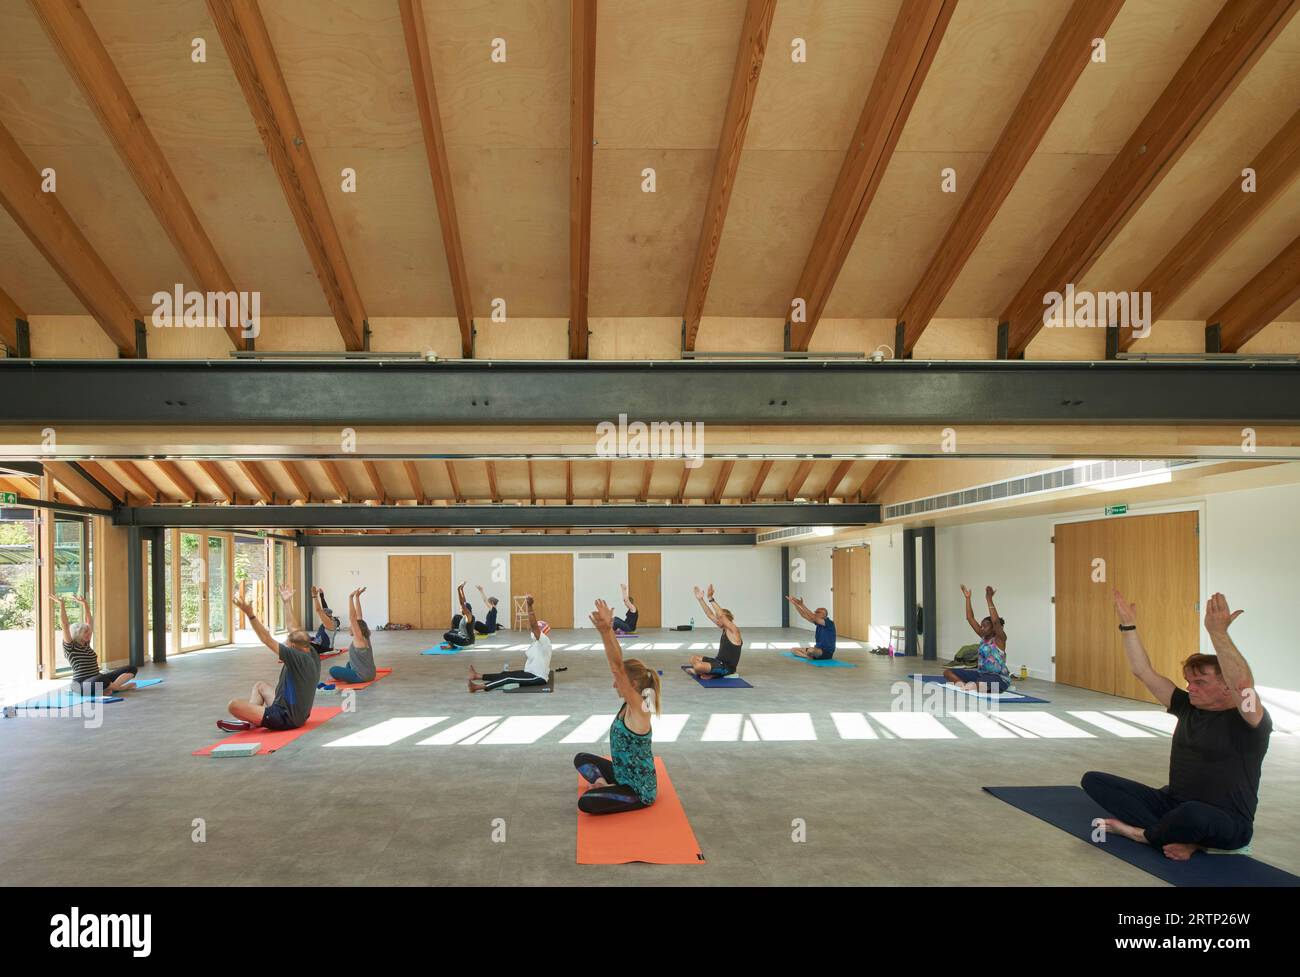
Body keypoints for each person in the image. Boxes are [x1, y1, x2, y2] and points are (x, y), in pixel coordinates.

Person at [1081, 590, 1272, 861]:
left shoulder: (1250, 721)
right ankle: (1180, 836)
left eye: (1200, 682)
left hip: (1226, 821)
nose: (1190, 688)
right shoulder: (1187, 706)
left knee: (1193, 814)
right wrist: (1128, 625)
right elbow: (1143, 671)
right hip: (1172, 804)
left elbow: (1243, 685)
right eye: (1188, 681)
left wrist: (1218, 633)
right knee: (1094, 781)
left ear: (1226, 687)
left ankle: (1140, 834)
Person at [573, 599, 661, 814]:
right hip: (622, 772)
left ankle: (606, 788)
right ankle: (604, 784)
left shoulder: (641, 709)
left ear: (631, 685)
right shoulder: (634, 700)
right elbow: (619, 665)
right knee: (581, 758)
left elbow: (617, 668)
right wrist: (609, 629)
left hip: (638, 789)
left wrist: (605, 630)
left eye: (619, 681)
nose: (614, 684)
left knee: (586, 802)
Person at [219, 586, 320, 732]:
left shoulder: (295, 656)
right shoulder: (310, 651)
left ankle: (252, 720)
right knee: (260, 686)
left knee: (233, 705)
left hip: (287, 717)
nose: (285, 643)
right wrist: (286, 602)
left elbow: (266, 639)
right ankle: (251, 720)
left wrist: (250, 615)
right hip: (296, 712)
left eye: (286, 641)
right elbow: (293, 628)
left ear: (292, 645)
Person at [52, 593, 137, 694]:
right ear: (78, 634)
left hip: (98, 678)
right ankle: (118, 688)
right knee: (101, 679)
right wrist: (61, 604)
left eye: (89, 632)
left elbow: (89, 621)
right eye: (86, 632)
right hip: (81, 684)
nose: (89, 634)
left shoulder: (86, 644)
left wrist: (85, 604)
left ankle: (109, 688)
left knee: (131, 669)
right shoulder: (70, 647)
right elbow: (65, 625)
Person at [468, 593, 550, 692]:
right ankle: (477, 676)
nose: (532, 631)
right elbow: (534, 627)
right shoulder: (536, 642)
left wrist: (530, 606)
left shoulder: (544, 641)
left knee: (508, 679)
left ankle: (477, 687)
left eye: (537, 629)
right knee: (505, 674)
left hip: (538, 677)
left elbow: (533, 626)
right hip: (529, 672)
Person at [943, 585, 1011, 692]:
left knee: (983, 683)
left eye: (985, 626)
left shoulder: (1000, 639)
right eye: (981, 625)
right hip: (981, 674)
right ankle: (964, 686)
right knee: (948, 672)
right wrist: (968, 599)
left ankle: (975, 686)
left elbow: (996, 622)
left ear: (993, 628)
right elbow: (970, 618)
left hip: (998, 678)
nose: (981, 628)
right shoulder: (983, 636)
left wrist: (989, 599)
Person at [686, 584, 743, 678]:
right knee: (693, 658)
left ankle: (711, 674)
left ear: (726, 620)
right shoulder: (724, 628)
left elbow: (721, 616)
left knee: (698, 666)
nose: (716, 620)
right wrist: (700, 599)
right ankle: (707, 672)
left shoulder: (734, 631)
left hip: (727, 668)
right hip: (718, 662)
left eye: (719, 618)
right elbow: (709, 614)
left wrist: (710, 598)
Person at [327, 588, 376, 684]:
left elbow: (352, 618)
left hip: (361, 677)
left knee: (333, 670)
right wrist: (357, 597)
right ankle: (348, 675)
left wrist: (350, 598)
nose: (349, 628)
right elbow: (359, 617)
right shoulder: (365, 637)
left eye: (351, 626)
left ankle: (348, 677)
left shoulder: (359, 639)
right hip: (371, 674)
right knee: (349, 664)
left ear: (357, 629)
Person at [309, 586, 341, 652]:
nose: (322, 615)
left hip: (323, 648)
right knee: (304, 637)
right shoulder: (330, 619)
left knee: (299, 642)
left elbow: (318, 610)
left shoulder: (329, 623)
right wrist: (321, 596)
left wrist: (315, 597)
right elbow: (325, 608)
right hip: (319, 643)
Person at [443, 582, 475, 648]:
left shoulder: (468, 616)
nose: (460, 609)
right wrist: (462, 589)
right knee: (451, 631)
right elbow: (464, 601)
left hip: (466, 641)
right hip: (463, 637)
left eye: (461, 608)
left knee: (446, 635)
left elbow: (462, 603)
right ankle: (452, 644)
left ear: (465, 610)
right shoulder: (468, 615)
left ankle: (452, 645)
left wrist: (458, 589)